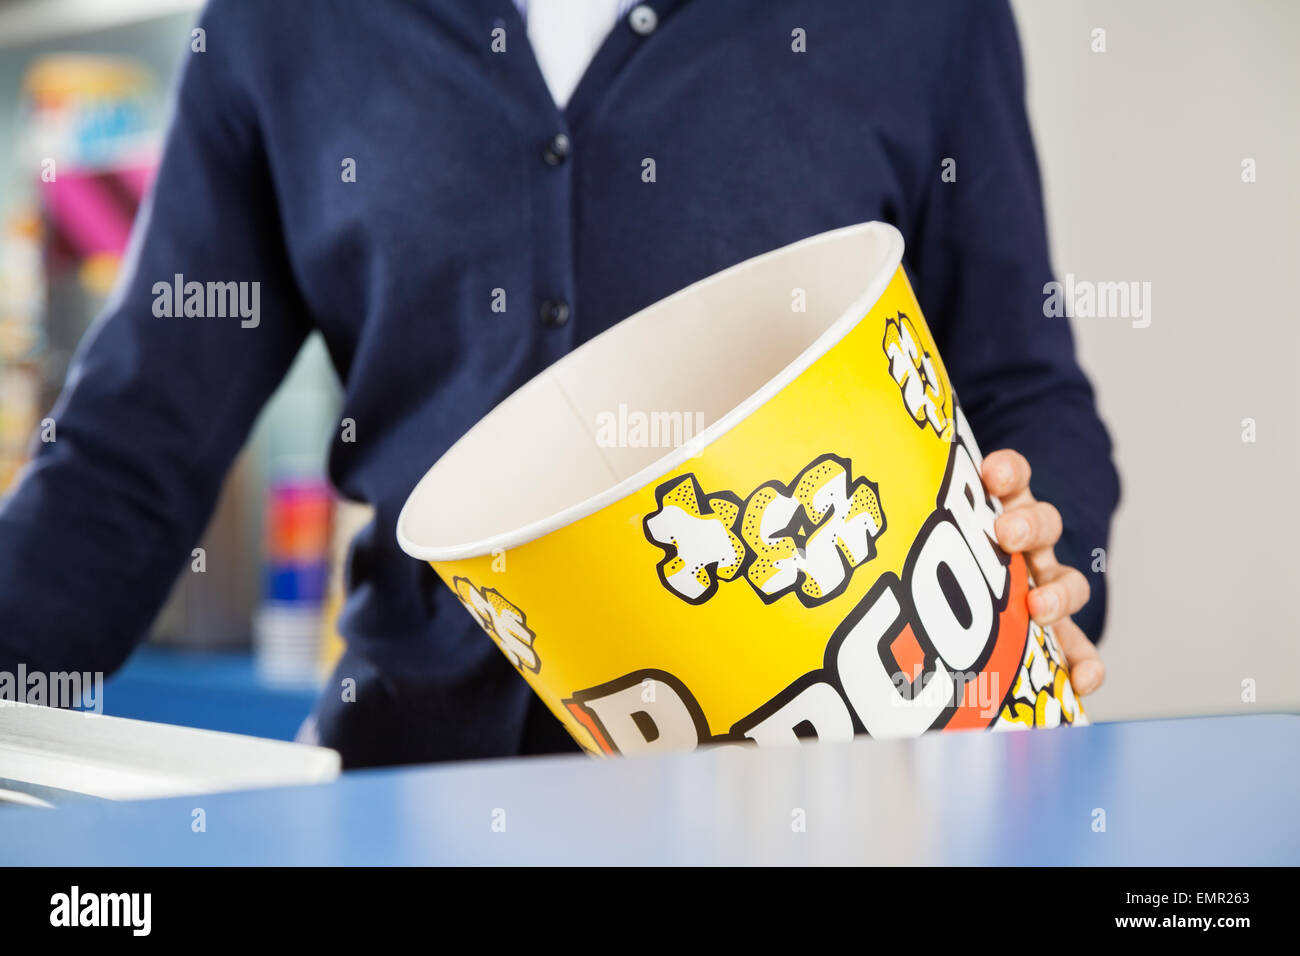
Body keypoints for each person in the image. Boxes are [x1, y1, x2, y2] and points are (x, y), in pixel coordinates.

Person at [0, 0, 1119, 767]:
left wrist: (1043, 562)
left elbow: (1020, 386)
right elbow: (124, 456)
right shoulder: (278, 24)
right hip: (409, 784)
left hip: (821, 789)